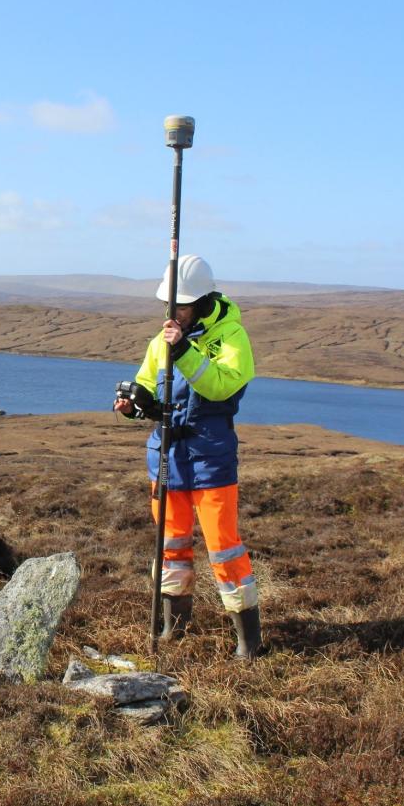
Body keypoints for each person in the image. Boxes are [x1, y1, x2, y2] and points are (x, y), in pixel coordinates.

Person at [113, 254, 262, 659]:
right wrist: (136, 406)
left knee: (224, 549)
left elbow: (220, 388)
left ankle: (248, 643)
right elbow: (149, 387)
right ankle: (172, 630)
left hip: (211, 457)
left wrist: (183, 352)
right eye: (168, 304)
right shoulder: (160, 341)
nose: (172, 312)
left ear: (202, 301)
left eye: (179, 304)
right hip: (167, 456)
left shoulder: (231, 337)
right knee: (170, 546)